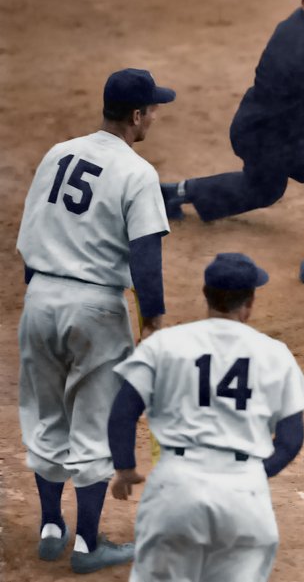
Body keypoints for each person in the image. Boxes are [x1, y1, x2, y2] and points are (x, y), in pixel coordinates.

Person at [16, 68, 175, 573]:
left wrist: (44, 296)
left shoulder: (57, 153)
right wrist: (153, 319)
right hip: (96, 308)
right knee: (94, 422)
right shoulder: (137, 172)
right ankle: (87, 544)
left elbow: (34, 226)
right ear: (135, 116)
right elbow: (146, 253)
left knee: (47, 415)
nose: (154, 116)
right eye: (152, 110)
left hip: (39, 295)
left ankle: (49, 525)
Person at [108, 252, 304, 581]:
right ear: (248, 304)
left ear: (206, 295)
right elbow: (291, 441)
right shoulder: (275, 354)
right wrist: (246, 474)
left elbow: (123, 411)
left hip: (175, 487)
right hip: (244, 498)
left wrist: (124, 468)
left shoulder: (164, 344)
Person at [161, 0, 304, 288]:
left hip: (272, 128)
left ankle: (174, 194)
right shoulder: (296, 41)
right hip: (266, 134)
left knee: (264, 188)